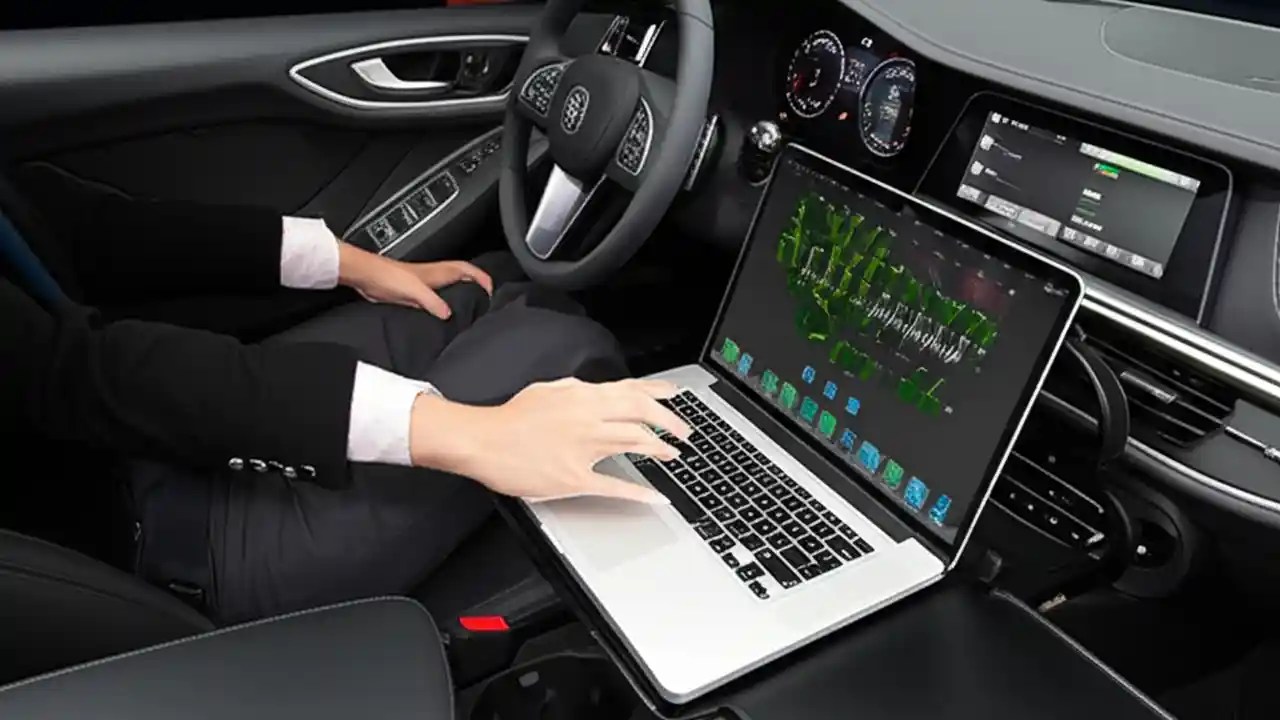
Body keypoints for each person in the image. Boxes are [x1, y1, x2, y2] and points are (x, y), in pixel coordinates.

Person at [0, 165, 687, 623]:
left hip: (153, 437)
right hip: (165, 536)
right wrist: (461, 433)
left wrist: (350, 265)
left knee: (477, 287)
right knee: (563, 348)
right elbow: (79, 375)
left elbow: (91, 231)